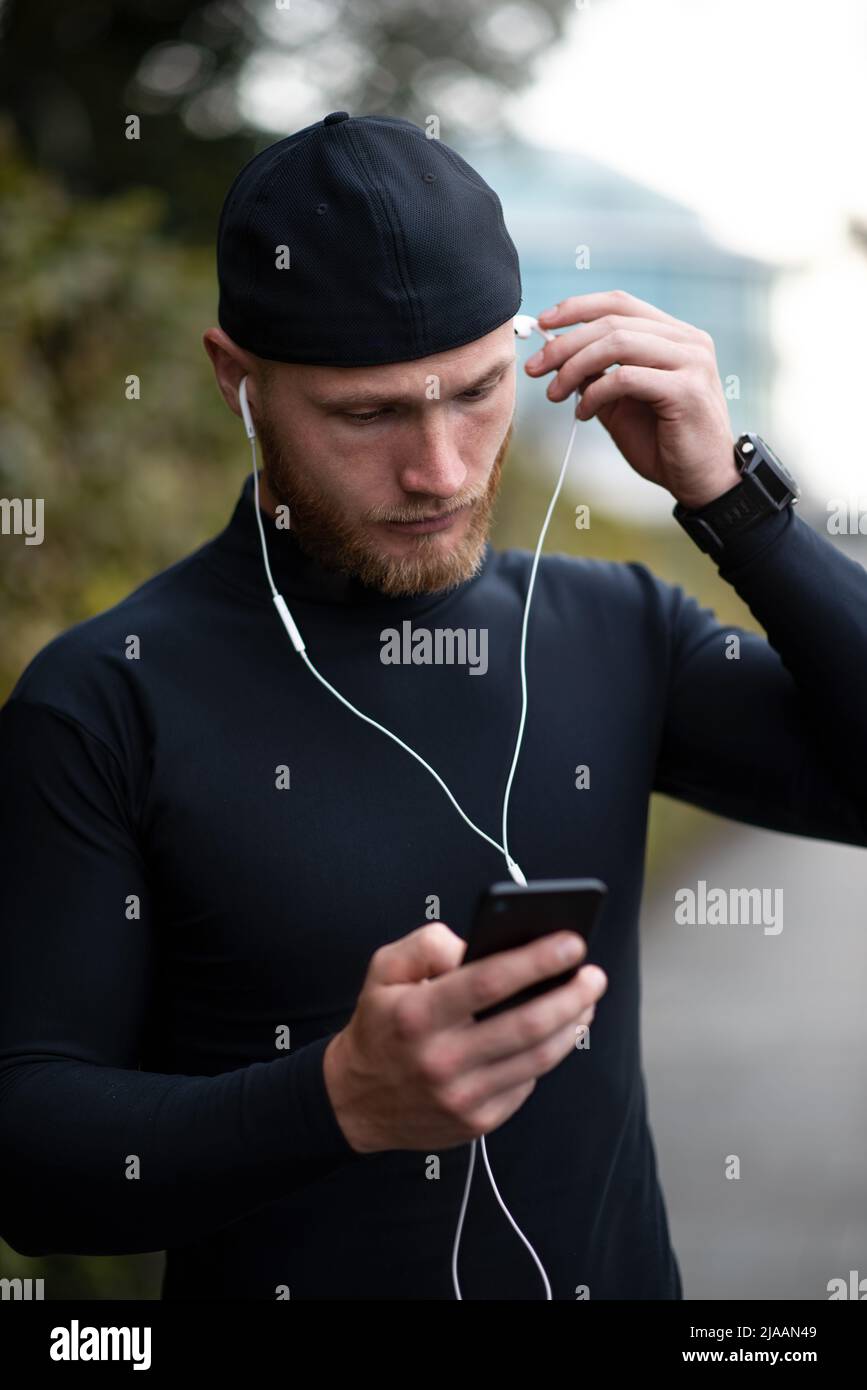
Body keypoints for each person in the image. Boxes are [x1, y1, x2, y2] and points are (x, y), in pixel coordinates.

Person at [1, 113, 865, 1302]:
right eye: (368, 416)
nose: (443, 471)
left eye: (472, 393)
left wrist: (737, 500)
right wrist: (335, 1100)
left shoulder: (615, 626)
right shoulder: (108, 697)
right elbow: (31, 1156)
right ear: (234, 379)